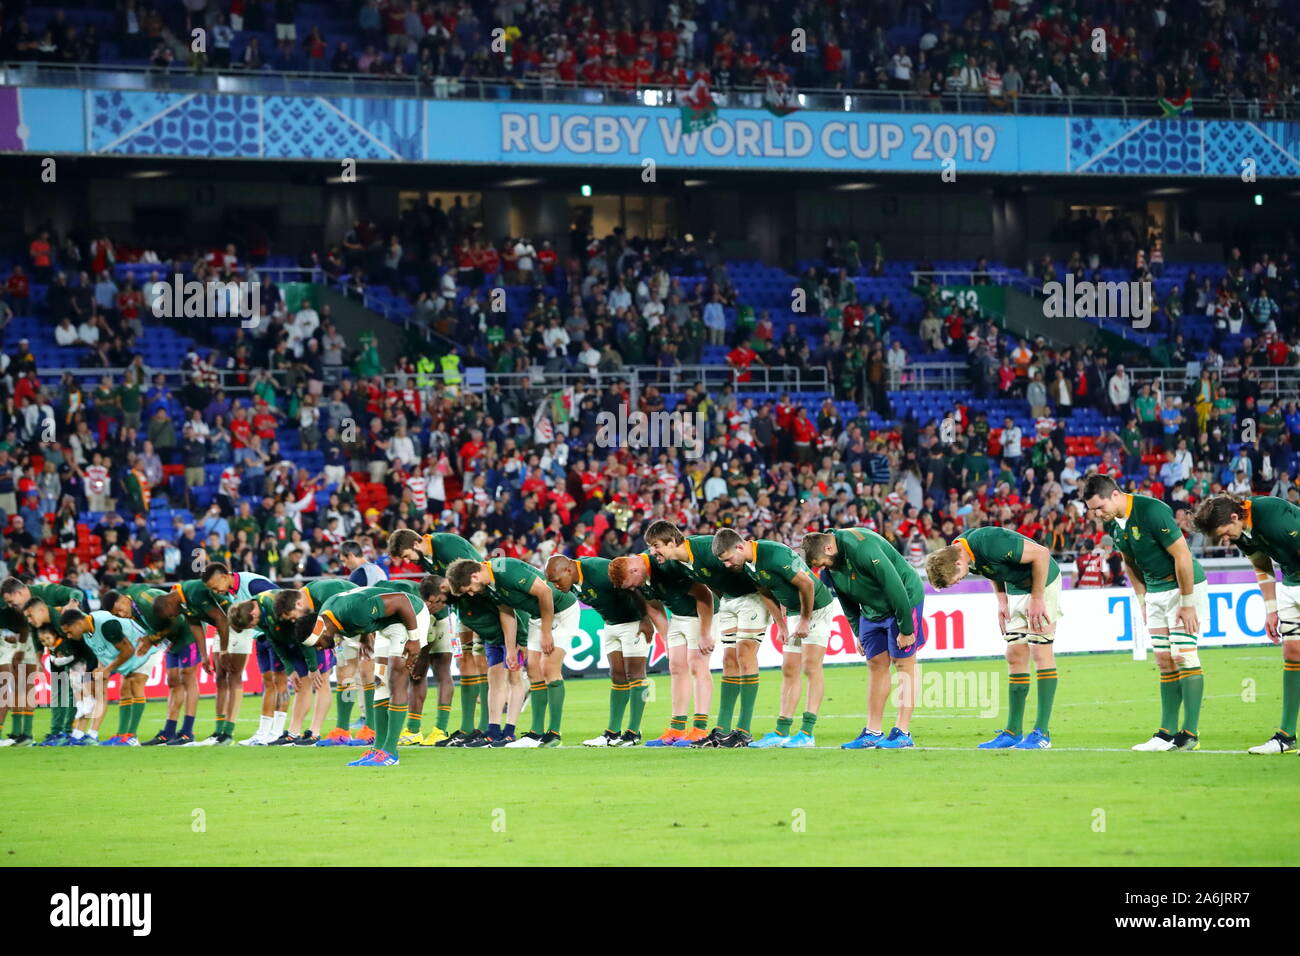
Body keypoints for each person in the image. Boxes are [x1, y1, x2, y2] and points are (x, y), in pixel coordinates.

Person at [1083, 474, 1207, 752]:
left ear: (1115, 495)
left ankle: (1189, 734)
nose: (1097, 514)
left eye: (1099, 507)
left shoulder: (1152, 511)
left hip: (1182, 587)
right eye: (1092, 510)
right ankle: (1166, 733)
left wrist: (1187, 602)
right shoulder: (1116, 526)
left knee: (1184, 655)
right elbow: (1129, 562)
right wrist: (1142, 599)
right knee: (1164, 660)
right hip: (1155, 593)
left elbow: (1182, 556)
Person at [643, 521, 779, 748]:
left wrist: (778, 611)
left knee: (745, 657)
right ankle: (723, 730)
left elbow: (752, 569)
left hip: (753, 598)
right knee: (728, 660)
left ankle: (743, 730)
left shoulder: (706, 549)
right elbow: (711, 585)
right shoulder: (678, 563)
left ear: (671, 542)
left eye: (656, 545)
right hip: (729, 601)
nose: (652, 551)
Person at [926, 526, 1062, 750]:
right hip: (1016, 587)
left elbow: (1041, 553)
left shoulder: (990, 542)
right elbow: (992, 570)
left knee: (1040, 650)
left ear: (958, 564)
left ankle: (1042, 733)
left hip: (1043, 582)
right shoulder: (962, 550)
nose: (959, 582)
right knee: (1015, 654)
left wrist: (1038, 598)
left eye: (956, 579)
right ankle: (1013, 731)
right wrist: (1001, 599)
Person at [1193, 494, 1300, 754]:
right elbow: (1261, 565)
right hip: (1289, 584)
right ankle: (1286, 736)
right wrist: (1271, 609)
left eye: (1224, 533)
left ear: (1234, 517)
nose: (1225, 539)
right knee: (1292, 652)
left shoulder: (1273, 516)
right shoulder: (1242, 528)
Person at [716, 531, 843, 749]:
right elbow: (765, 592)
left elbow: (808, 585)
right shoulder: (748, 564)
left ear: (739, 548)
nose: (728, 565)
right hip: (795, 611)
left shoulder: (774, 554)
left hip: (817, 607)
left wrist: (804, 620)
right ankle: (782, 731)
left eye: (728, 559)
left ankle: (807, 732)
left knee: (811, 667)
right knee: (789, 669)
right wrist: (781, 624)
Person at [804, 528, 928, 750]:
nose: (822, 569)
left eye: (821, 563)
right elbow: (844, 597)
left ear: (829, 548)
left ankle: (903, 732)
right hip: (871, 610)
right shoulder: (832, 562)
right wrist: (858, 632)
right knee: (876, 665)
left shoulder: (863, 548)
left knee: (904, 664)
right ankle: (873, 732)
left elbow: (894, 585)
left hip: (904, 600)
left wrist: (906, 629)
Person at [445, 555, 579, 748]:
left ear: (474, 577)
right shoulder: (489, 586)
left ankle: (554, 733)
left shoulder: (506, 570)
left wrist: (546, 632)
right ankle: (536, 732)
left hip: (562, 611)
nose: (472, 594)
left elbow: (545, 592)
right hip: (537, 616)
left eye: (469, 589)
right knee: (533, 671)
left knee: (549, 668)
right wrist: (510, 649)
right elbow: (507, 613)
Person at [306, 585, 431, 766]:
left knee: (397, 679)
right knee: (379, 683)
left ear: (322, 630)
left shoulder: (352, 611)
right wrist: (365, 637)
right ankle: (378, 749)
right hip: (386, 626)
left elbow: (402, 600)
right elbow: (363, 620)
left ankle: (390, 752)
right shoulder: (329, 617)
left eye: (318, 643)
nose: (319, 648)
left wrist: (414, 638)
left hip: (410, 616)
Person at [608, 551, 716, 746]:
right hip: (678, 617)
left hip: (700, 615)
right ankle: (677, 728)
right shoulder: (641, 578)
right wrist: (666, 640)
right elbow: (654, 608)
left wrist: (705, 632)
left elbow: (704, 594)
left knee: (697, 665)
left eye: (631, 584)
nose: (633, 589)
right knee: (676, 667)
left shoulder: (664, 566)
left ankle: (700, 729)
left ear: (634, 570)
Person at [547, 554, 654, 748]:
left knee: (636, 675)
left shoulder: (598, 570)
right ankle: (612, 733)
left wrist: (646, 619)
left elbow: (634, 586)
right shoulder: (573, 581)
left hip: (633, 623)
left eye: (556, 580)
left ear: (568, 571)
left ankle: (633, 732)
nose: (555, 585)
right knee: (618, 676)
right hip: (610, 624)